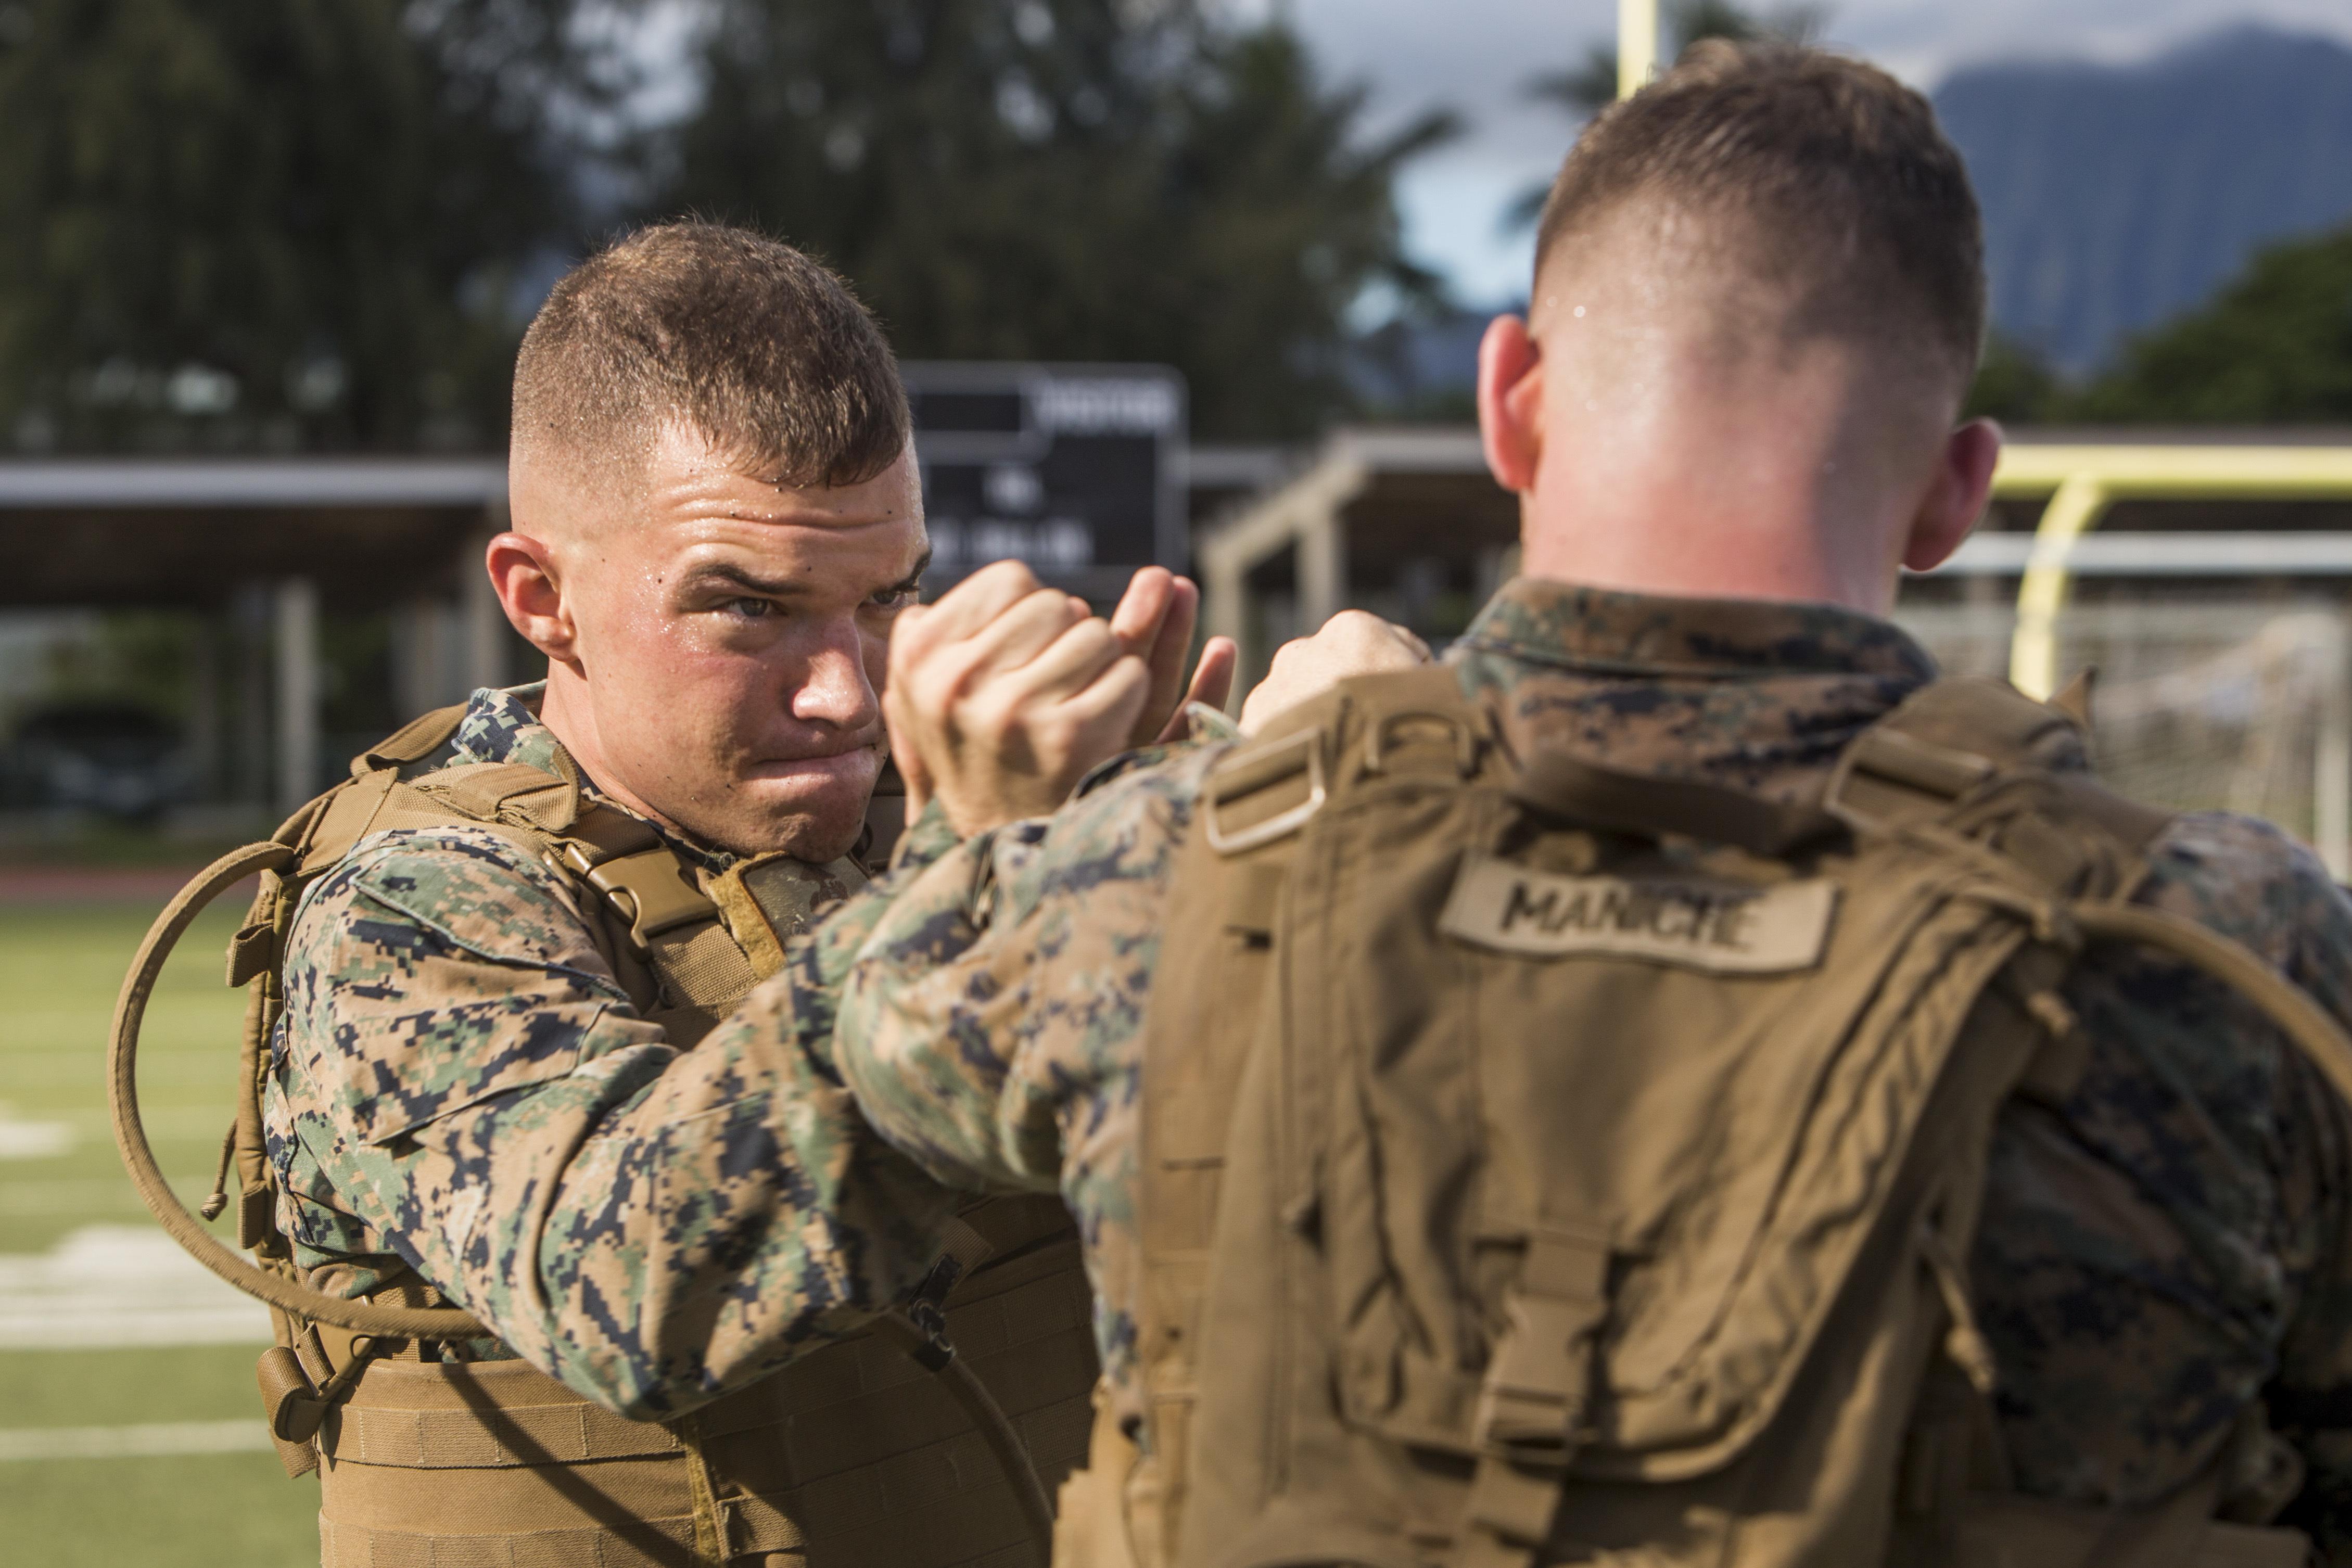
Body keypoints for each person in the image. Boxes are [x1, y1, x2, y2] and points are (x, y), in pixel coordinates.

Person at [836, 42, 2352, 1567]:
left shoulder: (1140, 884)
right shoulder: (2240, 950)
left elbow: (827, 1120)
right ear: (1959, 492)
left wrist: (1002, 831)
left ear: (1509, 404)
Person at [242, 222, 1231, 1566]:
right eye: (748, 609)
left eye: (888, 598)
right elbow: (640, 1285)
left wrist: (1271, 847)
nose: (846, 690)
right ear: (543, 598)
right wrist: (984, 885)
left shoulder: (942, 823)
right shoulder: (413, 907)